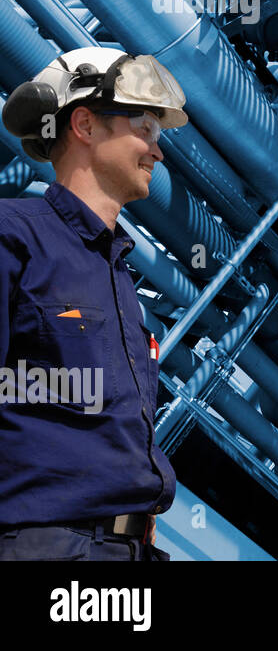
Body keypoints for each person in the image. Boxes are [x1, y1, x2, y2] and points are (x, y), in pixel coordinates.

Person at [0, 47, 188, 560]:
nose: (158, 150)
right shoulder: (13, 235)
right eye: (144, 129)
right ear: (84, 124)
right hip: (47, 547)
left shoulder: (118, 275)